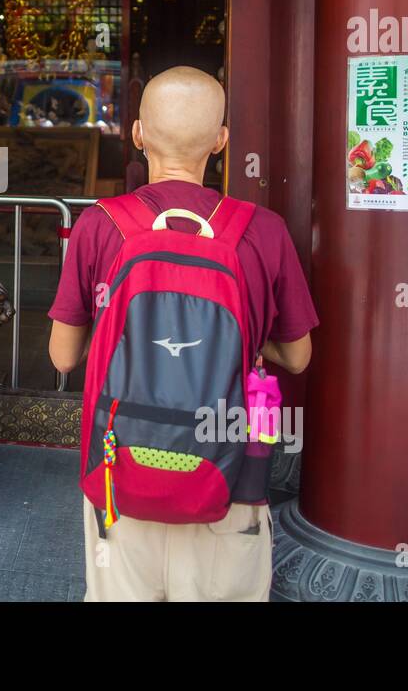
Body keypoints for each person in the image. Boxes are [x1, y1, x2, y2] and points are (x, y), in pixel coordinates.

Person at [48, 66, 318, 602]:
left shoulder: (98, 224)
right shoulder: (262, 230)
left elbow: (62, 356)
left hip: (121, 475)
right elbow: (298, 356)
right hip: (230, 479)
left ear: (138, 134)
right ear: (221, 141)